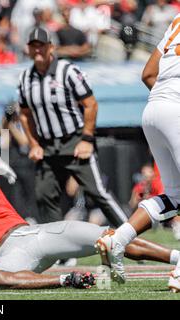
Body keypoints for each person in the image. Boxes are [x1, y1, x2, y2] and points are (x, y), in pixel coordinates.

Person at [0, 163, 180, 290]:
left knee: (111, 239)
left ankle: (177, 258)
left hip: (34, 234)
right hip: (10, 255)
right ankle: (66, 280)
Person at [96, 14, 180, 291]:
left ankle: (117, 240)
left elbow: (147, 74)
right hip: (176, 107)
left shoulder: (176, 19)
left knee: (174, 197)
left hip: (154, 107)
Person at [18, 27, 127, 227]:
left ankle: (130, 234)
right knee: (44, 194)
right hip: (48, 145)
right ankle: (60, 248)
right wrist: (34, 144)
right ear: (28, 49)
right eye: (33, 46)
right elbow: (25, 115)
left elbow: (90, 104)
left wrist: (86, 139)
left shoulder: (68, 71)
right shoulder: (26, 78)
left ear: (50, 47)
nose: (38, 50)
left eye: (41, 45)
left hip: (74, 140)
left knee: (97, 192)